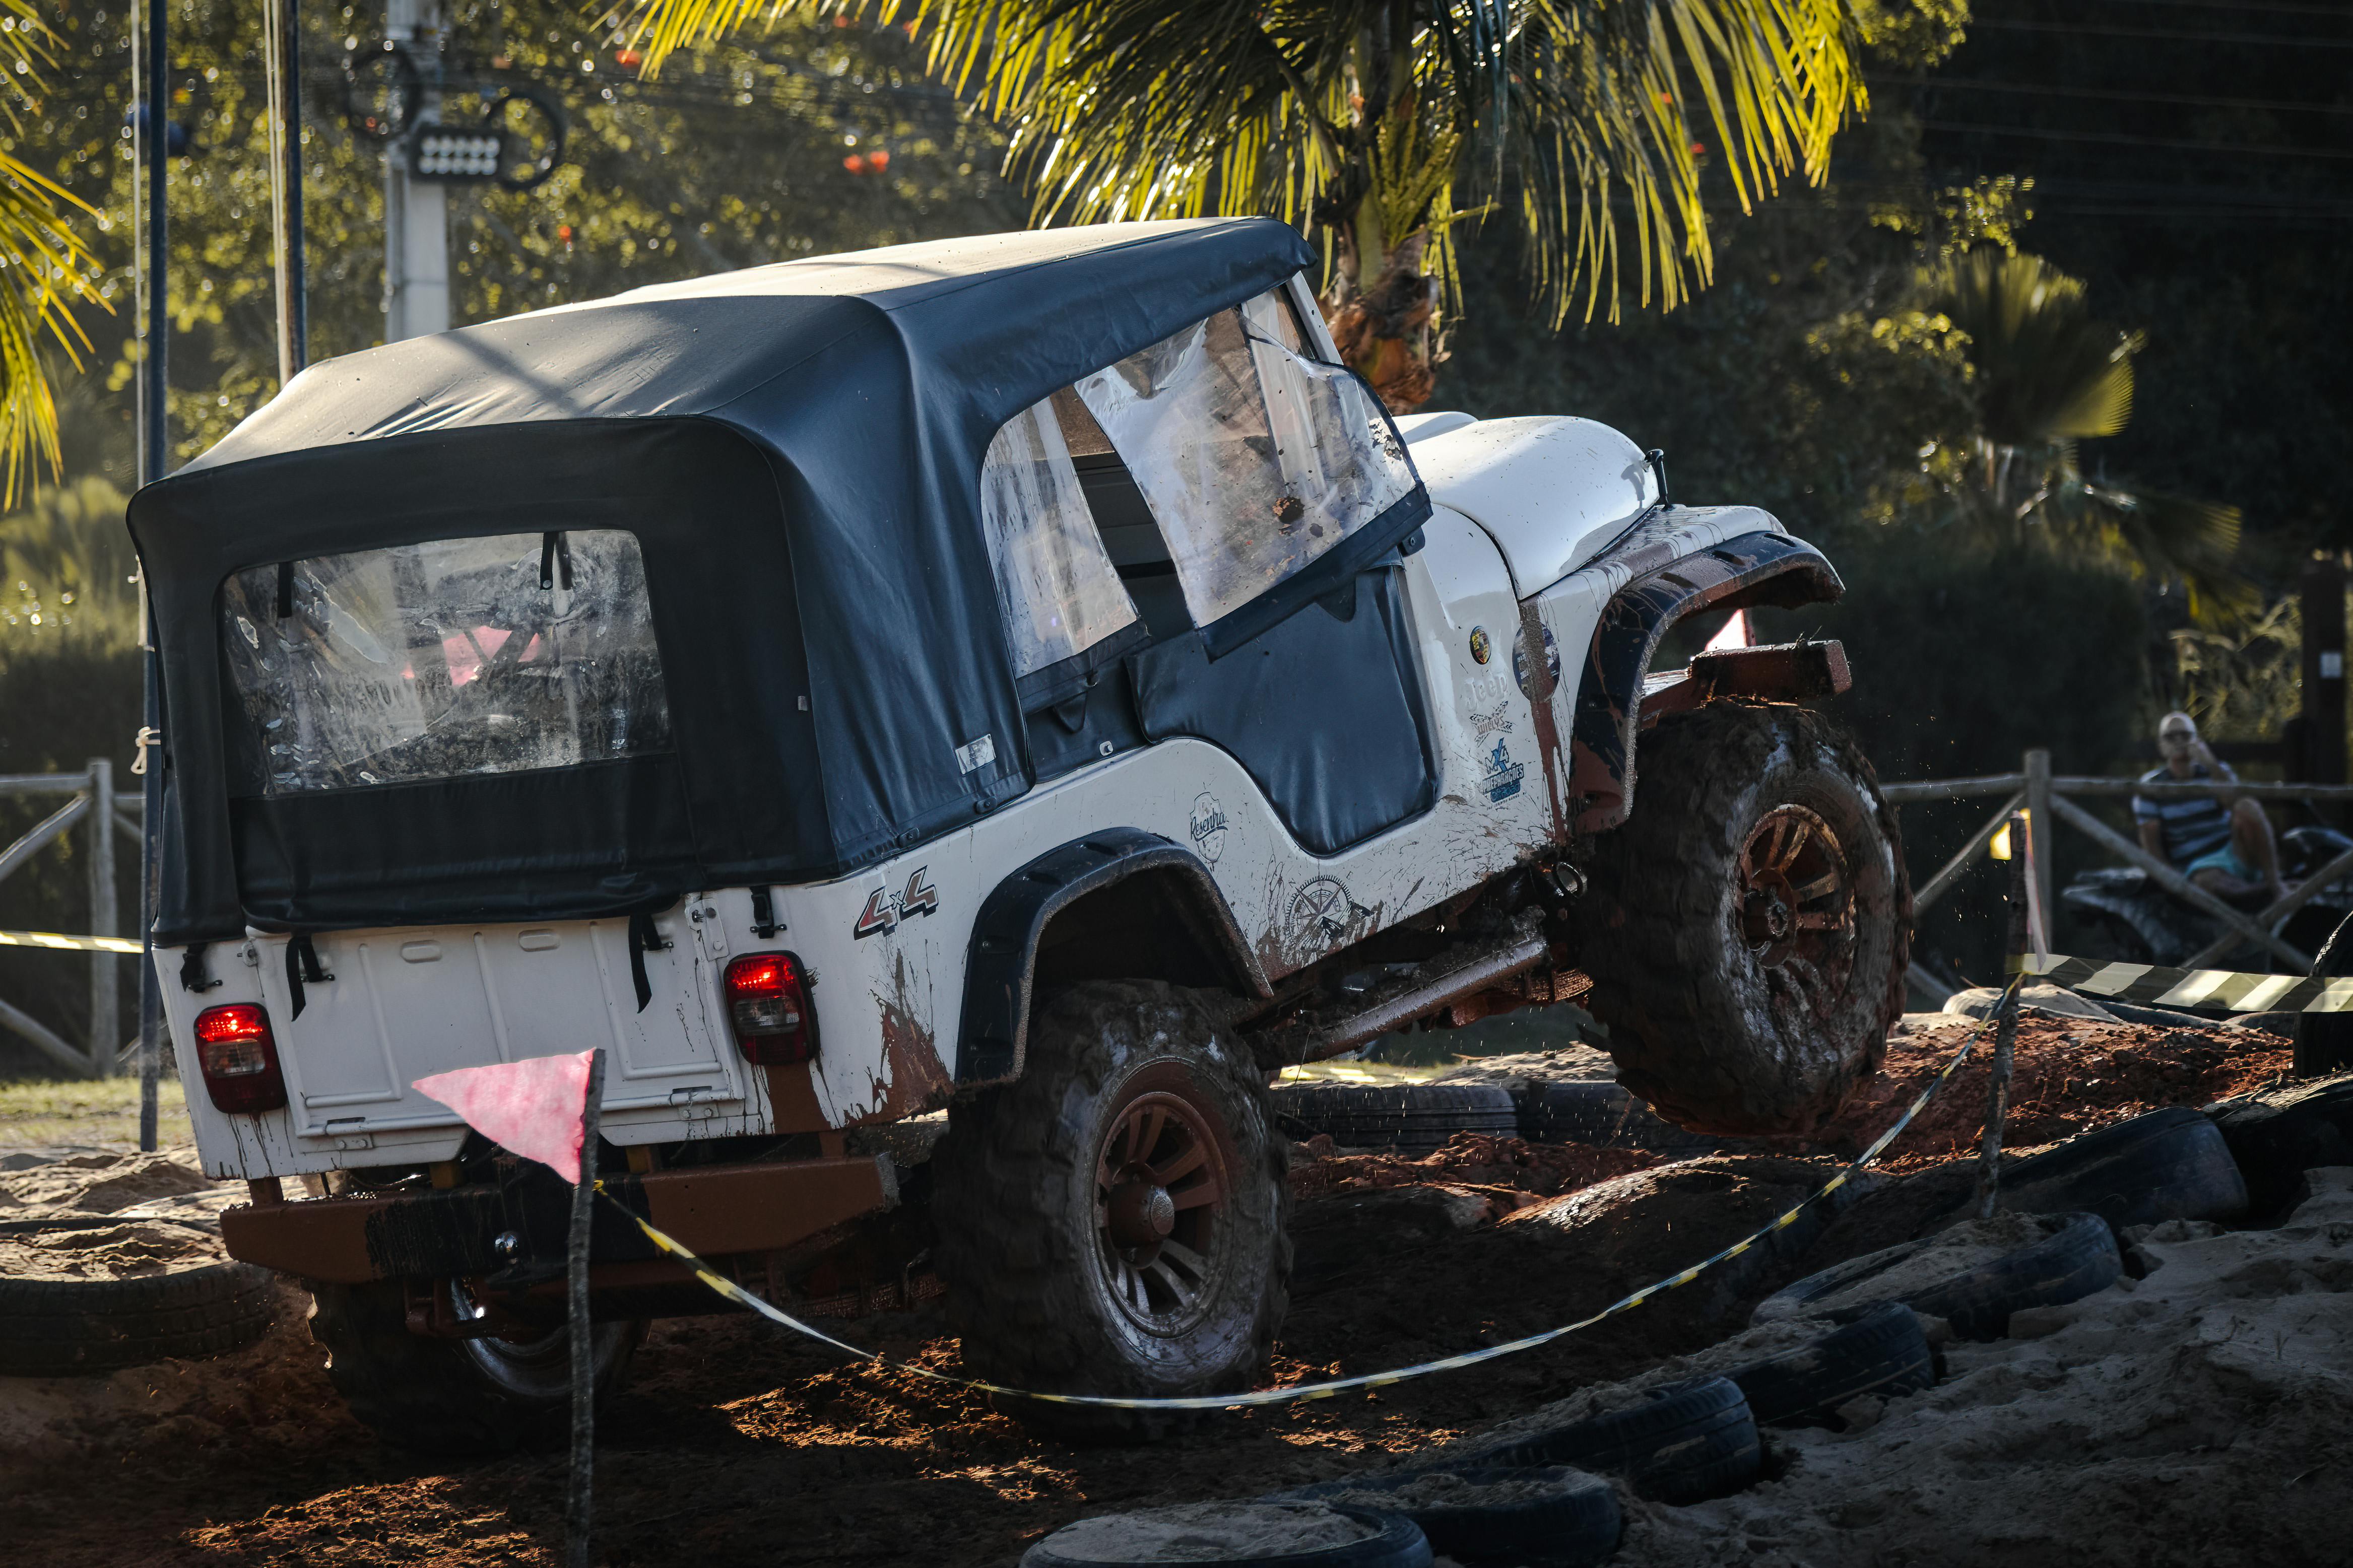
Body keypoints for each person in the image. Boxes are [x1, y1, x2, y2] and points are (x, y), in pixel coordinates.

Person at [2132, 711, 2288, 902]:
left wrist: (2210, 763)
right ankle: (2257, 895)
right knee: (2209, 881)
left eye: (2185, 735)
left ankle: (2276, 886)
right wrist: (2174, 884)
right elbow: (2152, 846)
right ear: (2161, 746)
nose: (2179, 741)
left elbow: (2236, 802)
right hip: (2197, 867)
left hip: (2234, 852)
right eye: (2171, 737)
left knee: (2248, 806)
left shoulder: (2215, 771)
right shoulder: (2150, 786)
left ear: (2197, 740)